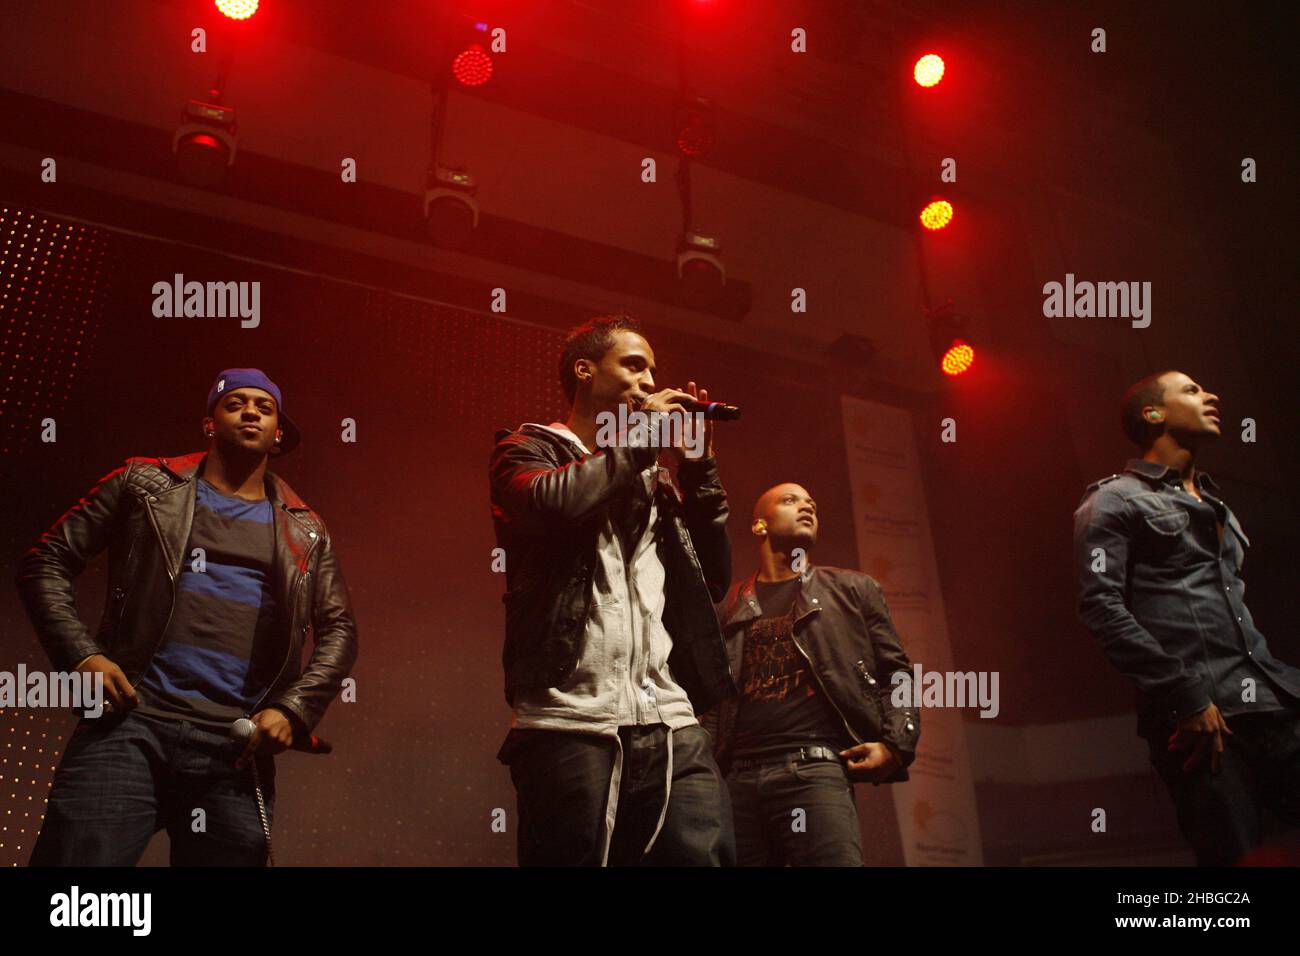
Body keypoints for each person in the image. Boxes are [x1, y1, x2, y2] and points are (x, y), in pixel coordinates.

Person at [18, 368, 358, 866]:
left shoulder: (306, 528)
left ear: (278, 434)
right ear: (208, 423)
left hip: (234, 752)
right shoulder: (143, 482)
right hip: (129, 727)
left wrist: (294, 709)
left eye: (264, 408)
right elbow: (44, 561)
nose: (250, 412)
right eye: (235, 403)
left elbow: (341, 630)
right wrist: (81, 656)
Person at [489, 313, 736, 866]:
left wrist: (700, 472)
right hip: (570, 718)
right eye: (633, 365)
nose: (650, 381)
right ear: (585, 371)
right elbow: (552, 504)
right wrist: (643, 440)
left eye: (653, 370)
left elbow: (710, 583)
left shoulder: (654, 477)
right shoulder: (527, 448)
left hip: (670, 718)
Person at [1073, 370, 1300, 865]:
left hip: (1271, 698)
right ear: (1154, 414)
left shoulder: (1217, 502)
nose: (1212, 395)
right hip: (1202, 719)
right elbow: (1101, 607)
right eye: (1192, 390)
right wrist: (1186, 695)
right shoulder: (1112, 500)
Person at [702, 482, 919, 865]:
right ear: (759, 526)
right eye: (790, 501)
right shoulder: (726, 607)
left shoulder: (854, 590)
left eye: (812, 504)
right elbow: (707, 695)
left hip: (816, 771)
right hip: (736, 784)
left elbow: (896, 673)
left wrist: (897, 744)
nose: (806, 507)